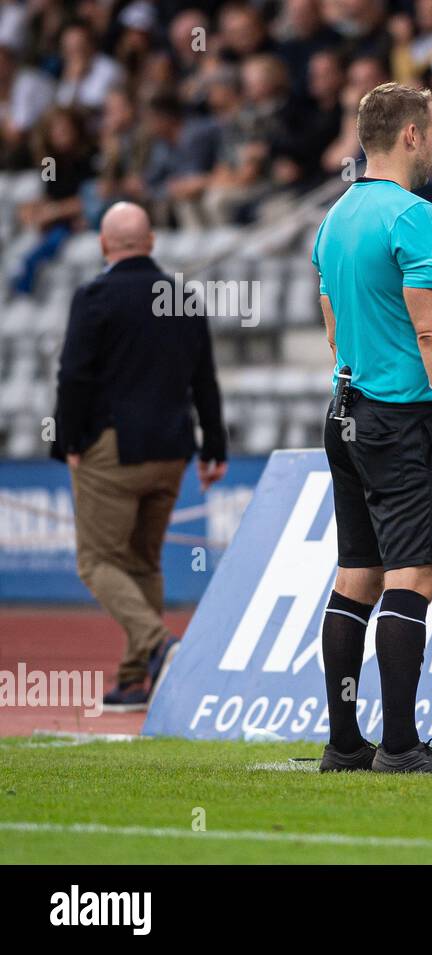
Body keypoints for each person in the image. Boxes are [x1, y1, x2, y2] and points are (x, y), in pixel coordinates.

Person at [311, 81, 432, 774]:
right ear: (411, 135)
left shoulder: (335, 217)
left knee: (356, 573)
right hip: (401, 419)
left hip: (345, 410)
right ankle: (402, 744)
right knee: (411, 575)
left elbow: (332, 327)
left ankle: (344, 743)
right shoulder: (416, 216)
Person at [53, 202, 227, 708]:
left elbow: (73, 377)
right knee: (144, 561)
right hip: (172, 450)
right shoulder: (182, 298)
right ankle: (134, 680)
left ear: (105, 245)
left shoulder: (94, 297)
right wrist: (213, 447)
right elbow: (205, 381)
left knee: (96, 561)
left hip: (113, 448)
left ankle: (158, 645)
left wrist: (68, 441)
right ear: (150, 241)